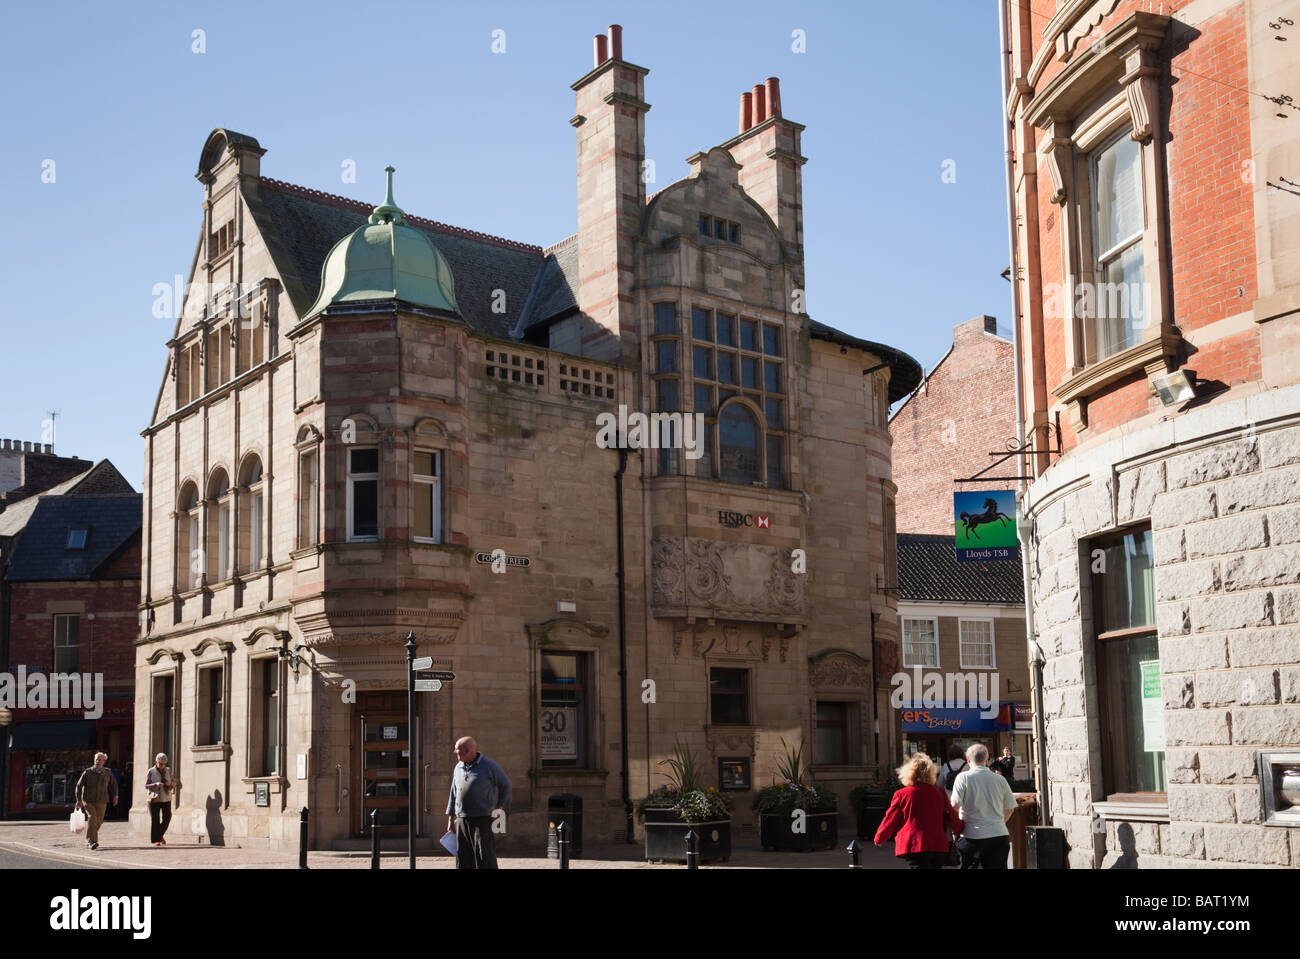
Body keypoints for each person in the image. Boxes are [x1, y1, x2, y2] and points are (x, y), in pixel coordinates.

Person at [872, 752, 959, 869]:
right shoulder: (940, 792)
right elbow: (951, 816)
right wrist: (959, 829)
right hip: (937, 844)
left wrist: (880, 837)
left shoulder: (902, 794)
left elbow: (891, 819)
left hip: (915, 845)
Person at [445, 736, 511, 869]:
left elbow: (506, 785)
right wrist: (451, 818)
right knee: (463, 857)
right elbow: (453, 793)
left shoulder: (488, 766)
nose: (455, 752)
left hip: (482, 819)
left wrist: (499, 807)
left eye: (457, 750)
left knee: (484, 856)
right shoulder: (458, 767)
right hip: (462, 819)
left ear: (468, 750)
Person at [950, 742, 1018, 869]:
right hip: (998, 835)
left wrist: (956, 829)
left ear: (968, 759)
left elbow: (954, 805)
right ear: (987, 759)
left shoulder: (963, 778)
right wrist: (999, 822)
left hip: (971, 836)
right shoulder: (1000, 780)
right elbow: (1010, 808)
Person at [74, 752, 119, 850]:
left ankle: (90, 838)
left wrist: (115, 796)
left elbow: (114, 784)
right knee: (93, 817)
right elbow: (79, 785)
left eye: (100, 760)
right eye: (96, 759)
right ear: (94, 760)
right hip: (88, 800)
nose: (98, 761)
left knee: (99, 821)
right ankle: (91, 841)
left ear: (104, 761)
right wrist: (79, 800)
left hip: (102, 800)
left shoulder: (107, 772)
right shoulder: (87, 772)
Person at [145, 753, 177, 846]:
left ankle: (159, 835)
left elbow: (172, 781)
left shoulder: (168, 770)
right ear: (156, 762)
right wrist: (155, 784)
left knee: (167, 818)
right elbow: (146, 785)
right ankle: (157, 840)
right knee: (155, 820)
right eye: (160, 764)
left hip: (166, 798)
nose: (162, 766)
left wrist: (171, 784)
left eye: (164, 764)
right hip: (154, 798)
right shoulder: (151, 771)